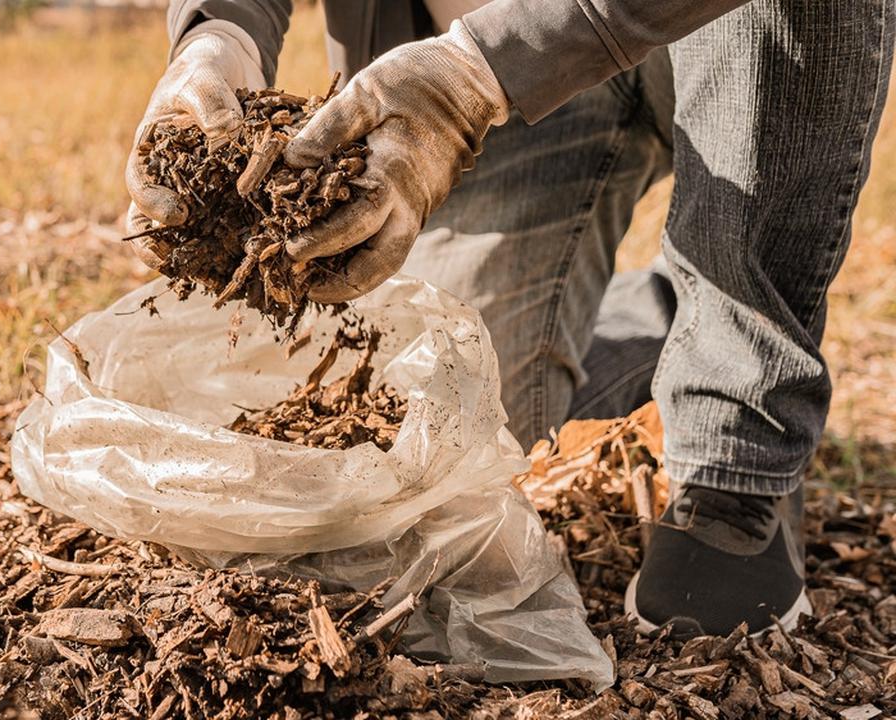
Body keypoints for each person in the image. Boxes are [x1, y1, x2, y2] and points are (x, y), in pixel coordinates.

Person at [124, 0, 894, 639]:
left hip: (713, 31)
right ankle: (673, 322)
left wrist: (477, 70)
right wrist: (217, 33)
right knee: (473, 441)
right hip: (480, 79)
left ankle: (738, 435)